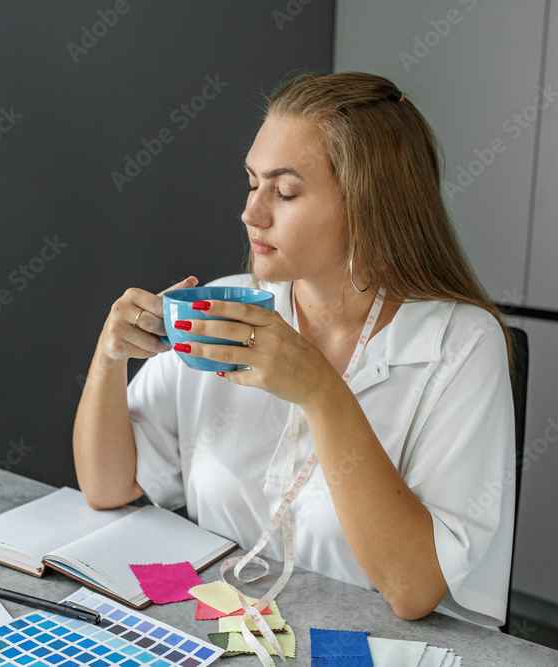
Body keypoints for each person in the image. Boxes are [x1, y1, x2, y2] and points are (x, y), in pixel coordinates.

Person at [73, 71, 515, 628]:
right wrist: (109, 359)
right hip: (232, 635)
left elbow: (412, 590)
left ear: (368, 204)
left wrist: (320, 391)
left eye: (283, 191)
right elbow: (107, 488)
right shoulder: (219, 313)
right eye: (251, 183)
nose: (251, 212)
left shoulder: (463, 344)